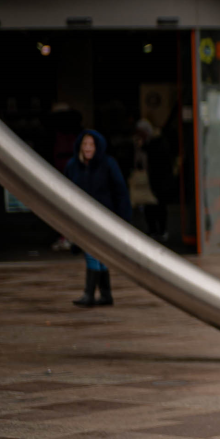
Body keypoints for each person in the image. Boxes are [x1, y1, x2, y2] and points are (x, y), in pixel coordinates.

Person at [63, 129, 129, 307]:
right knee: (97, 254)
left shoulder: (108, 164)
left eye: (91, 144)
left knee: (94, 253)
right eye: (85, 144)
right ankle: (105, 295)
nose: (87, 148)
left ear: (98, 146)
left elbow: (120, 192)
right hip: (82, 219)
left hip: (104, 218)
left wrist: (123, 219)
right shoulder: (73, 166)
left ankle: (89, 294)